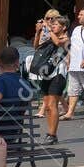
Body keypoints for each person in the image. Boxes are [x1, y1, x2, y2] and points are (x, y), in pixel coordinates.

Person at [30, 11, 69, 142]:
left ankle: (52, 134)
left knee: (53, 104)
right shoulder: (50, 37)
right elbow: (36, 47)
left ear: (63, 27)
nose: (53, 26)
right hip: (47, 74)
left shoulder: (65, 39)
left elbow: (58, 43)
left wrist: (48, 28)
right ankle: (50, 132)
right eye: (52, 24)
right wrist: (38, 32)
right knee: (47, 106)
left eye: (56, 25)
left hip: (58, 75)